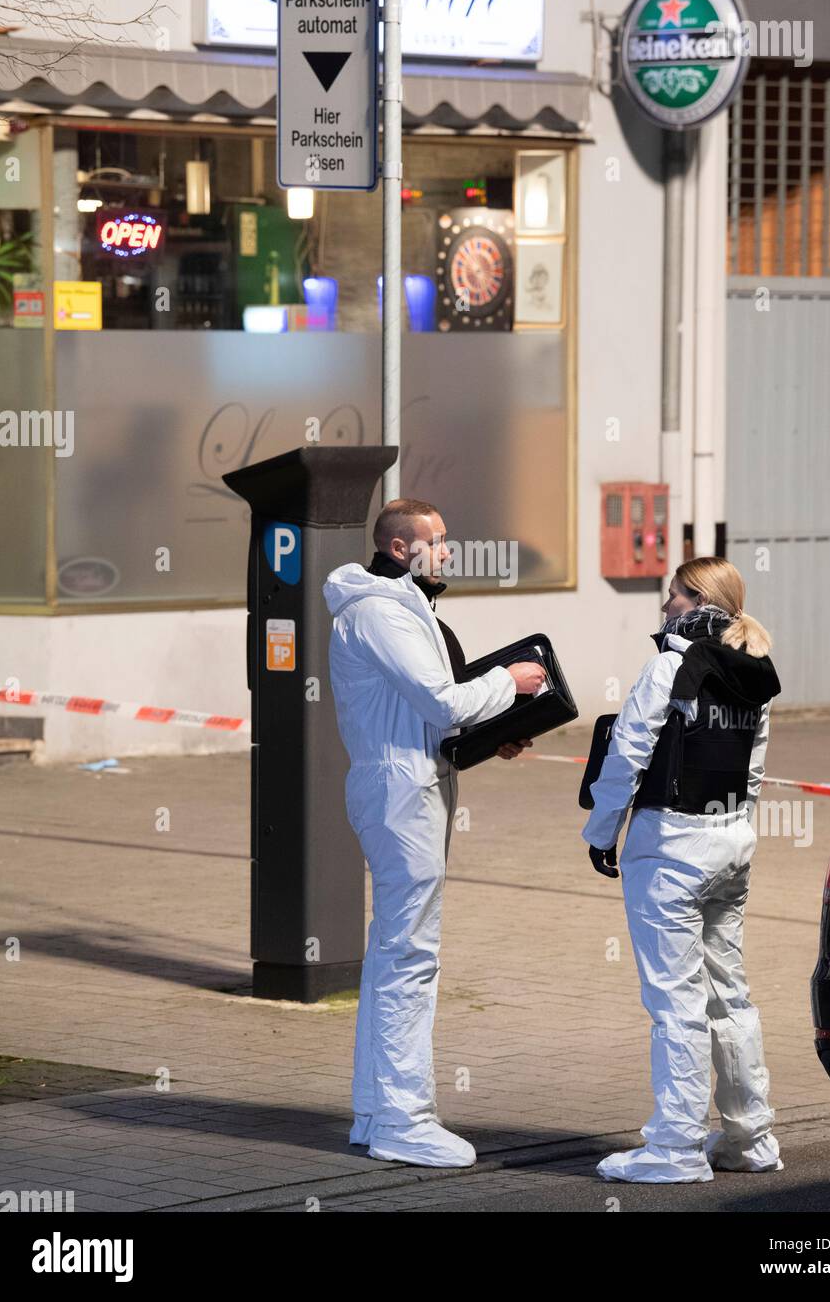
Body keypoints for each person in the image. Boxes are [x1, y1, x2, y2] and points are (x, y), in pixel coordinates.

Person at [323, 498, 543, 1168]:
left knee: (397, 952)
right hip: (399, 791)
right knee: (408, 957)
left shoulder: (401, 609)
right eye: (437, 541)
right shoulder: (381, 613)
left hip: (409, 782)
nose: (448, 552)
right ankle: (402, 1120)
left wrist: (490, 732)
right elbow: (441, 701)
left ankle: (374, 1114)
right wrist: (507, 682)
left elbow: (434, 715)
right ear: (398, 549)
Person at [583, 557, 783, 1184]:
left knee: (676, 1005)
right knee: (731, 996)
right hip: (730, 845)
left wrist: (599, 831)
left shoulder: (670, 667)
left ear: (695, 600)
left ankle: (673, 1148)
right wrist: (738, 831)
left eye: (671, 596)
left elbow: (627, 755)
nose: (663, 606)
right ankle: (751, 1138)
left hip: (670, 847)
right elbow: (751, 770)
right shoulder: (754, 671)